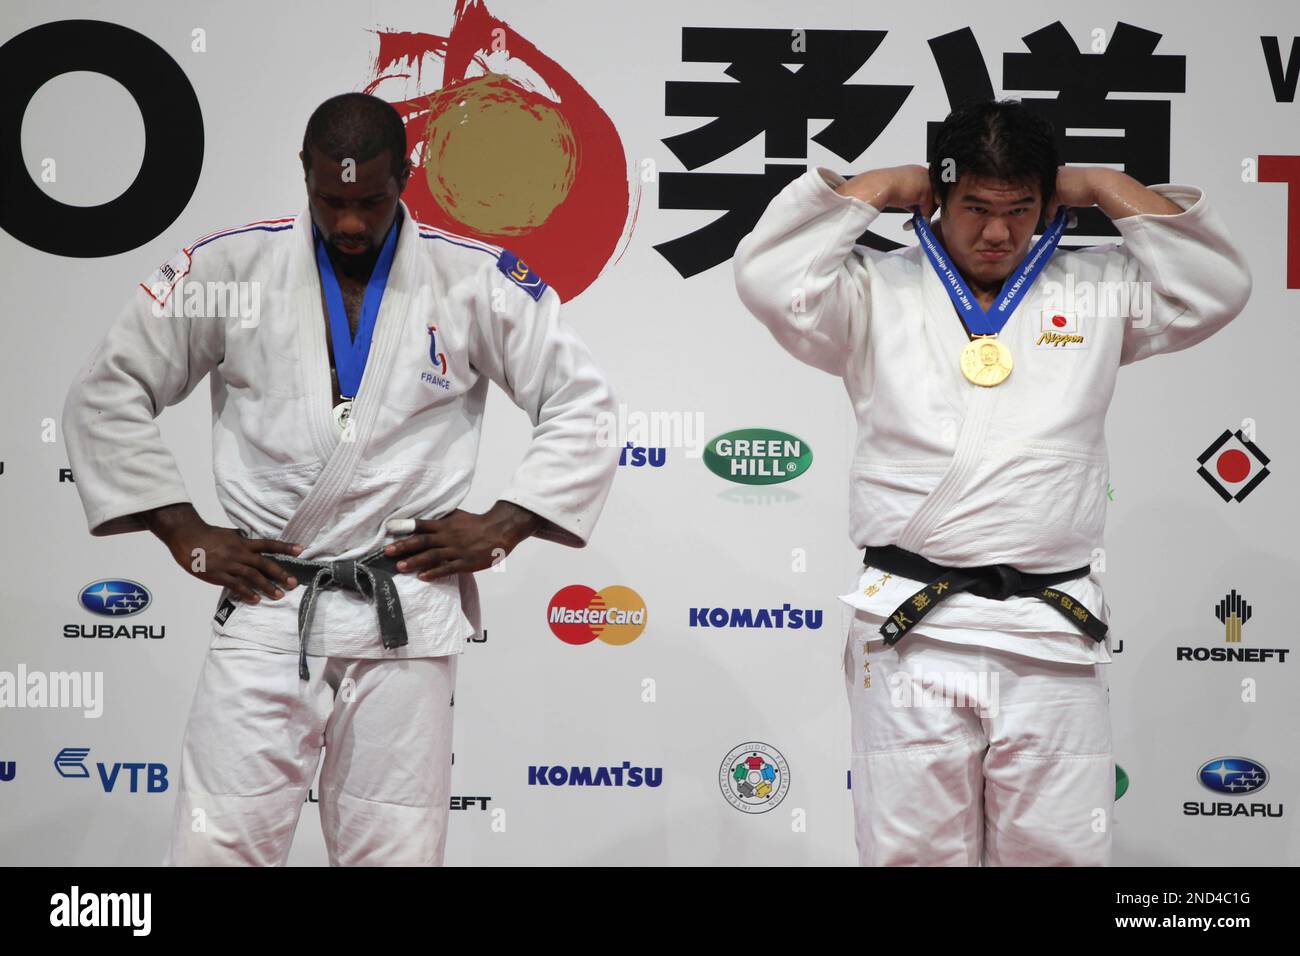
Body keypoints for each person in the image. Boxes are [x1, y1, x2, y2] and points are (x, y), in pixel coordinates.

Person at [62, 92, 620, 866]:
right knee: (216, 843)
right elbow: (108, 388)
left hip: (405, 605)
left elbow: (581, 397)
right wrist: (179, 527)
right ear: (303, 173)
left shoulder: (473, 278)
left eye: (371, 200)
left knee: (393, 849)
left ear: (407, 177)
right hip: (270, 599)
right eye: (331, 199)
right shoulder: (228, 269)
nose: (351, 222)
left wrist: (509, 521)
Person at [732, 98, 1251, 866]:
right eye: (975, 207)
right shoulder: (873, 290)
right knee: (911, 856)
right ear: (937, 198)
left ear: (1049, 203)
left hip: (1050, 631)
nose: (1000, 233)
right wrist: (879, 185)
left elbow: (1218, 287)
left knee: (1061, 855)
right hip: (911, 631)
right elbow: (768, 280)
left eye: (1022, 209)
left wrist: (1104, 184)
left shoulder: (1096, 291)